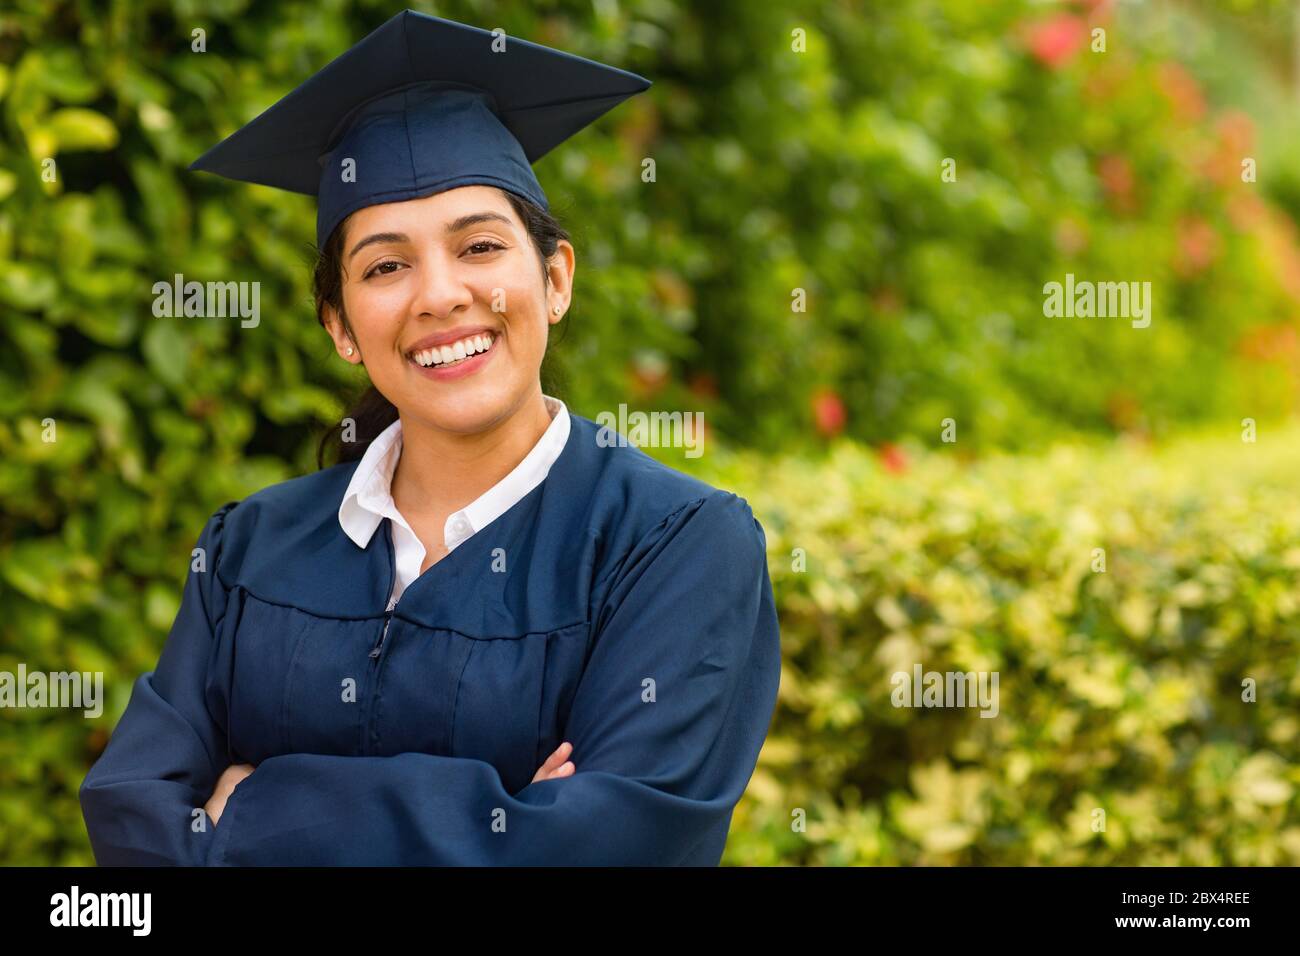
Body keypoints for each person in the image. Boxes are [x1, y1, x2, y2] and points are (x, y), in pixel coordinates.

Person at [79, 8, 781, 866]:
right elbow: (130, 815)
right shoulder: (247, 551)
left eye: (479, 245)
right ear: (340, 326)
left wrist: (252, 809)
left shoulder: (673, 547)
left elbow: (616, 846)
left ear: (554, 278)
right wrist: (509, 815)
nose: (441, 295)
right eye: (385, 265)